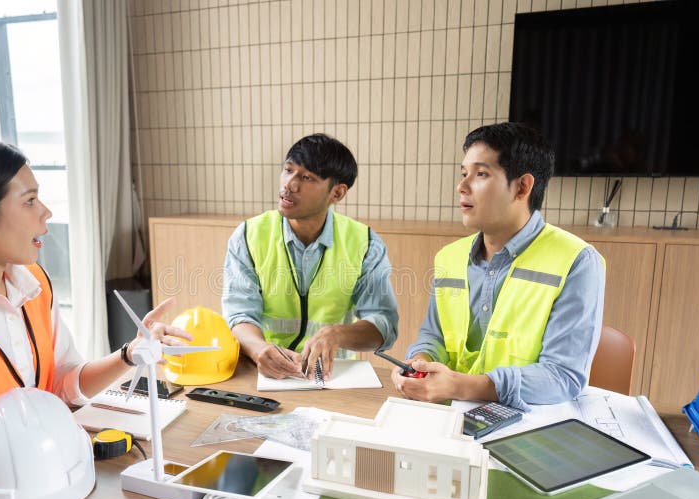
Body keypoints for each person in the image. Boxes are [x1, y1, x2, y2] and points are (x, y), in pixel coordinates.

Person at [0, 136, 190, 499]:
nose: (46, 213)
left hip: (55, 497)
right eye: (29, 201)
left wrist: (130, 355)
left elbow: (61, 383)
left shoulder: (32, 284)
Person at [393, 122, 605, 410]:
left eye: (480, 174)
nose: (461, 187)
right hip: (450, 420)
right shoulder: (449, 258)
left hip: (528, 428)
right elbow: (434, 336)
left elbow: (561, 377)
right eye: (463, 174)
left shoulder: (576, 260)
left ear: (522, 187)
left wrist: (459, 385)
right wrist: (420, 362)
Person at [222, 133, 398, 380]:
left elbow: (384, 325)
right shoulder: (249, 235)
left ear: (337, 193)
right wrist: (260, 349)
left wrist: (336, 334)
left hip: (329, 376)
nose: (289, 184)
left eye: (306, 177)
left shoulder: (365, 243)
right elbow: (239, 314)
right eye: (288, 170)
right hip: (262, 370)